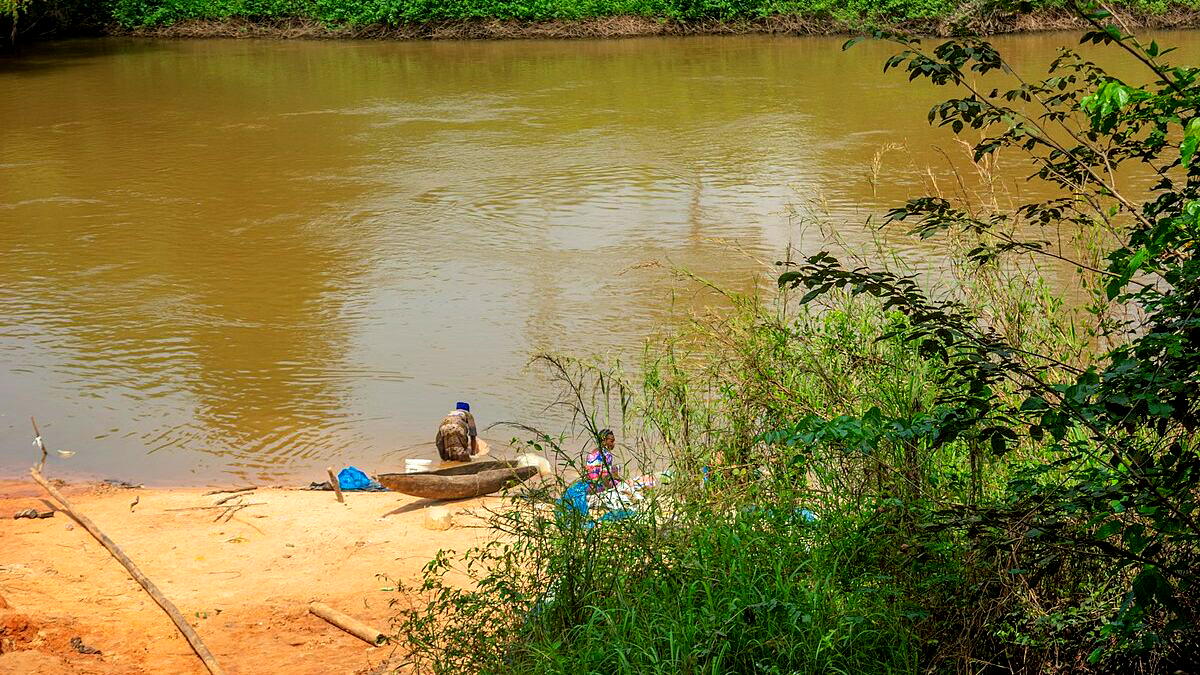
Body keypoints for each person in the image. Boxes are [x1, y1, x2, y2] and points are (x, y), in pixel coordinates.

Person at [585, 429, 620, 493]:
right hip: (599, 487)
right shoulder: (606, 455)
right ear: (604, 441)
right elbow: (604, 476)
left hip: (590, 485)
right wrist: (608, 489)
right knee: (616, 468)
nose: (613, 444)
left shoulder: (593, 452)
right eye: (611, 441)